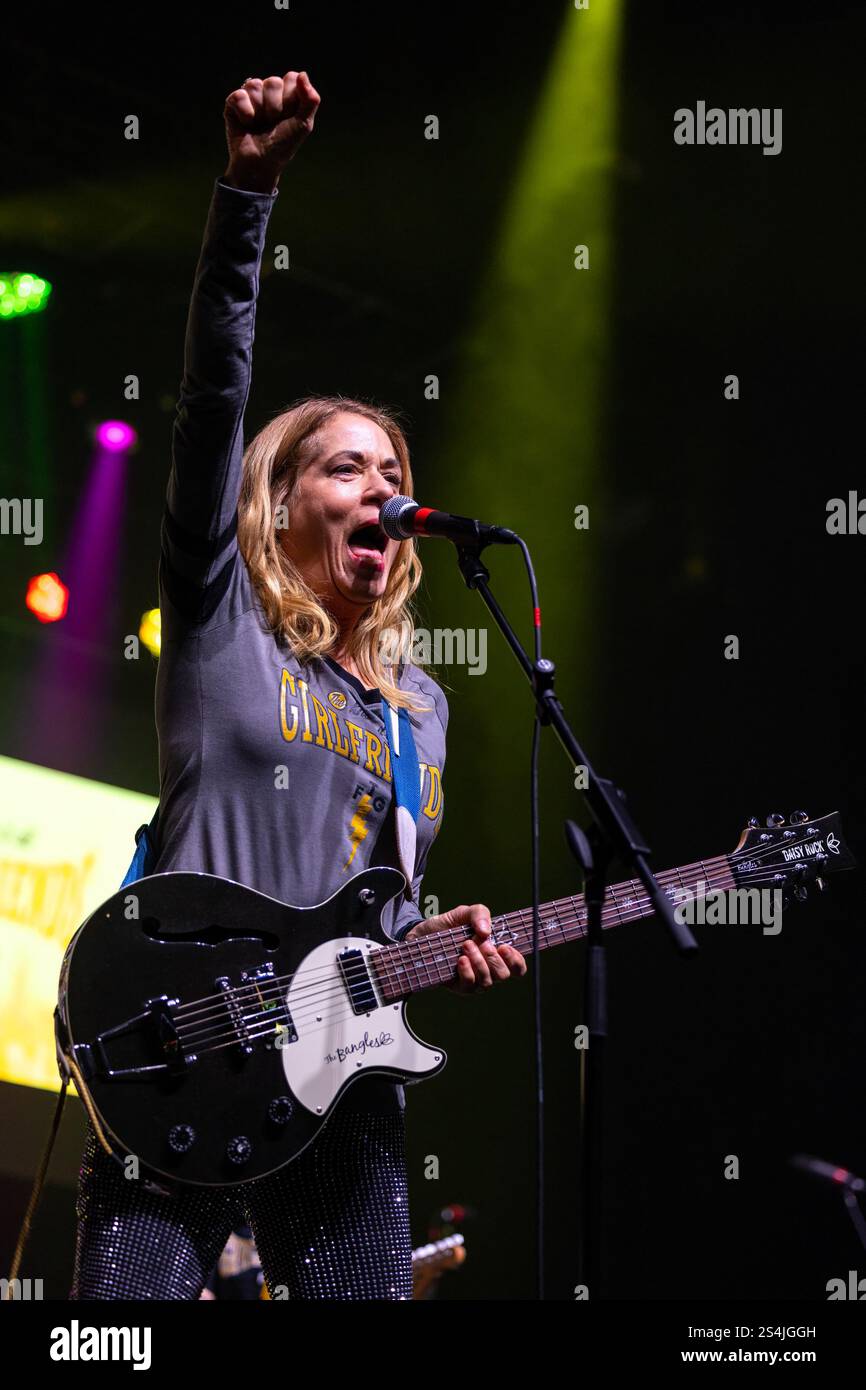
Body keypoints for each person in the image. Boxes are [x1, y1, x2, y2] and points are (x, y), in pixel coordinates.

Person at [69, 69, 526, 1301]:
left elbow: (369, 918)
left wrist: (427, 942)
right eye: (343, 466)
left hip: (334, 1091)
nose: (379, 486)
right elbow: (213, 401)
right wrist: (246, 196)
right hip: (179, 1048)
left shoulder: (417, 710)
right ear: (282, 502)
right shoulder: (225, 623)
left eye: (393, 468)